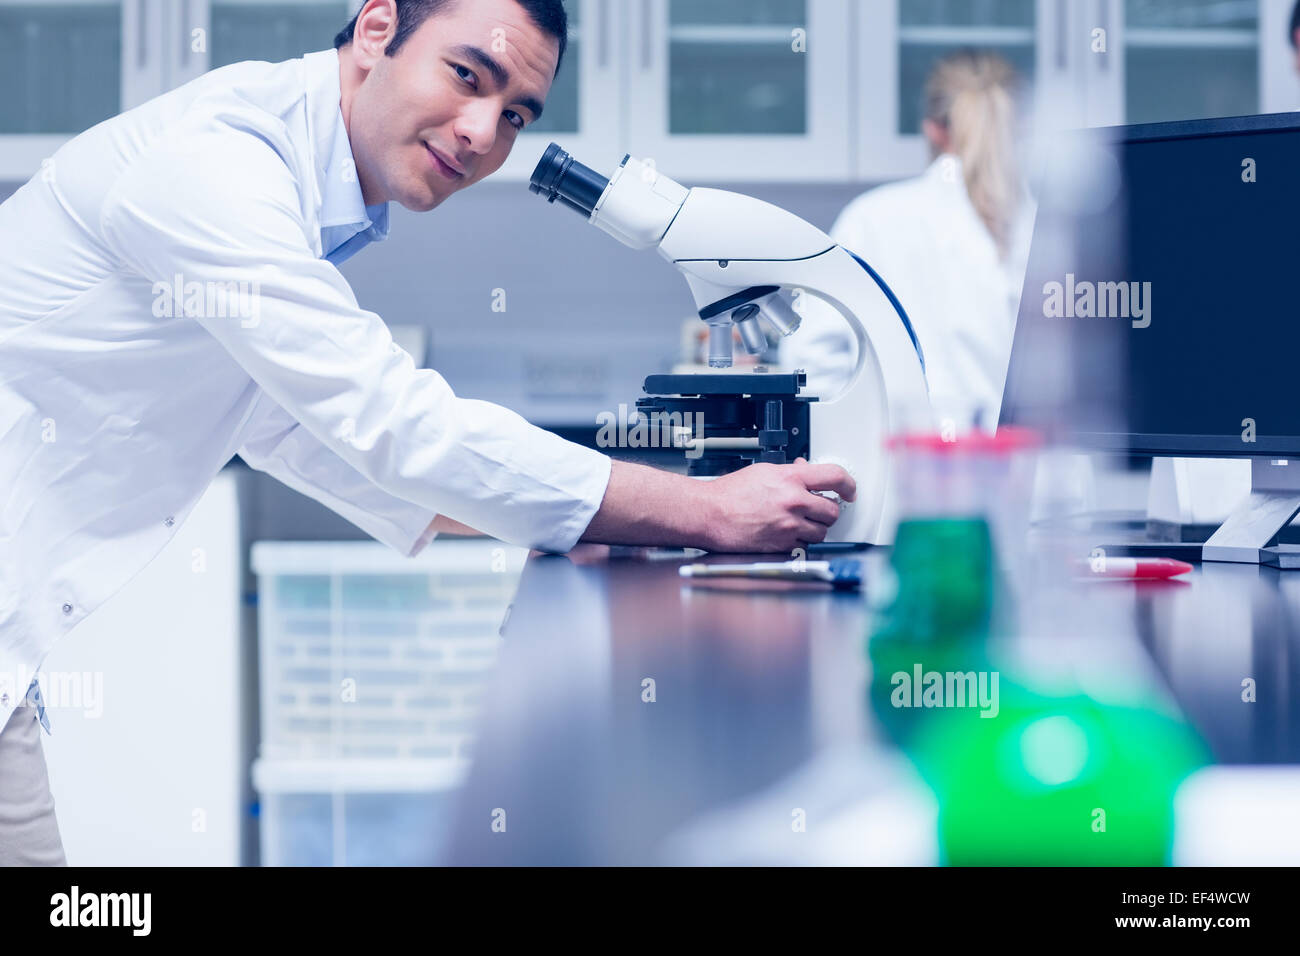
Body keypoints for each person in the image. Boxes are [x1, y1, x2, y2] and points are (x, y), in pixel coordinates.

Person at [0, 0, 854, 864]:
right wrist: (698, 509)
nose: (484, 132)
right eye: (467, 75)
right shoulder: (219, 163)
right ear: (377, 30)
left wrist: (581, 515)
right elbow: (388, 420)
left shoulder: (298, 188)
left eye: (516, 114)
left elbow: (290, 424)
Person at [782, 49, 1034, 430]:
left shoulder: (872, 218)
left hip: (908, 473)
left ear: (933, 128)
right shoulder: (1050, 223)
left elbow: (810, 363)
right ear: (1020, 126)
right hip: (1028, 474)